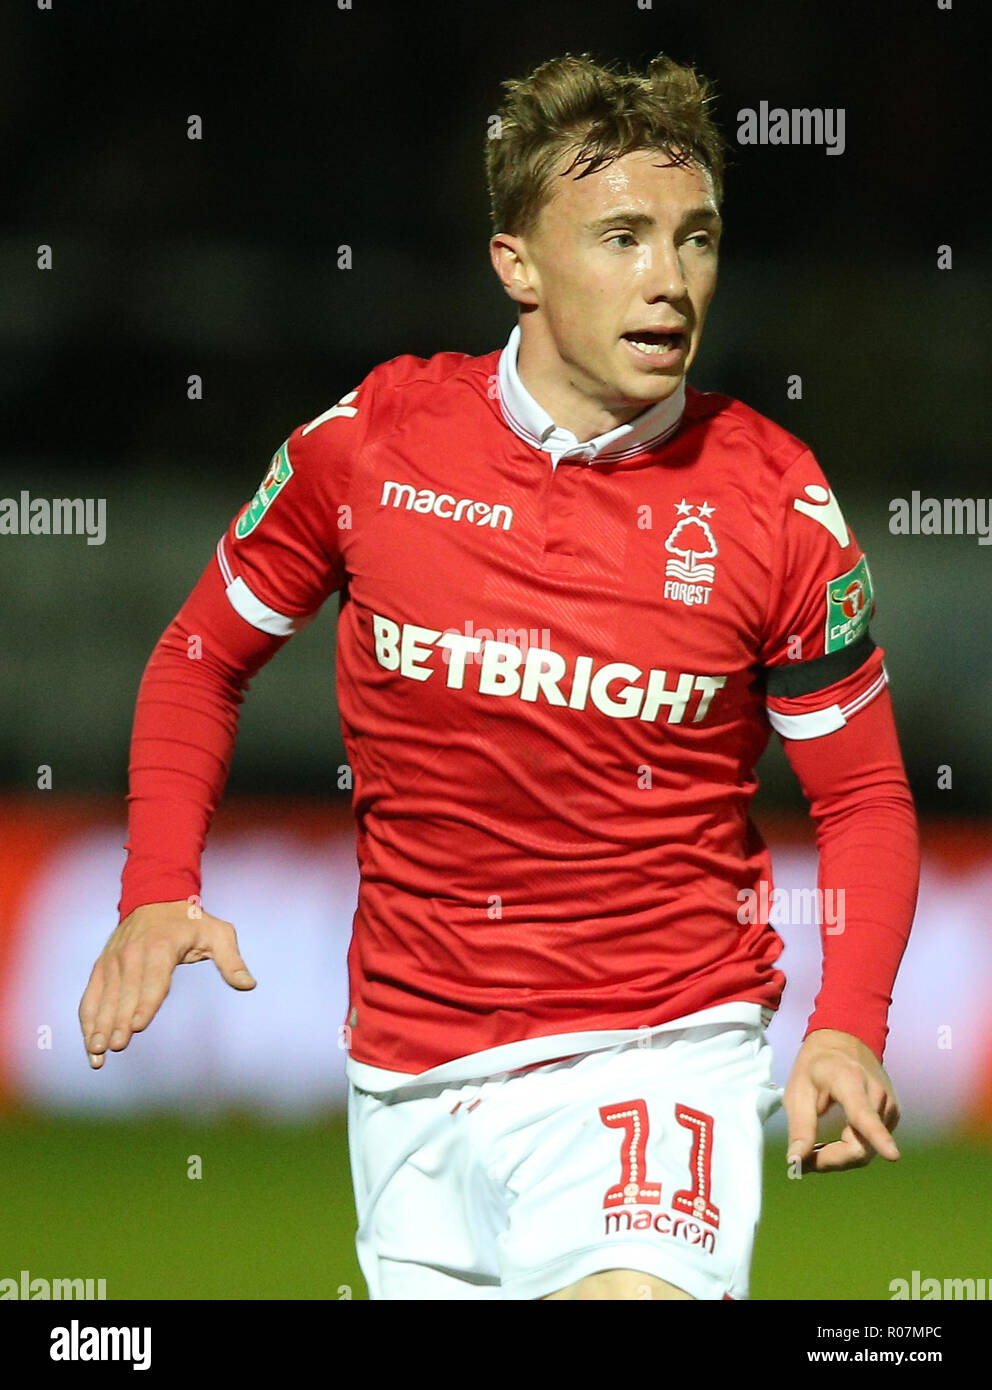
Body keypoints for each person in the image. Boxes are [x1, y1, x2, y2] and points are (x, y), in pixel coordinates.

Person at [78, 52, 920, 1301]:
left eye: (694, 238)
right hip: (408, 1084)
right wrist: (156, 886)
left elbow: (862, 800)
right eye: (622, 237)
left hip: (659, 1046)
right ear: (514, 263)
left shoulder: (773, 501)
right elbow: (199, 656)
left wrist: (846, 1022)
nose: (668, 280)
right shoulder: (371, 448)